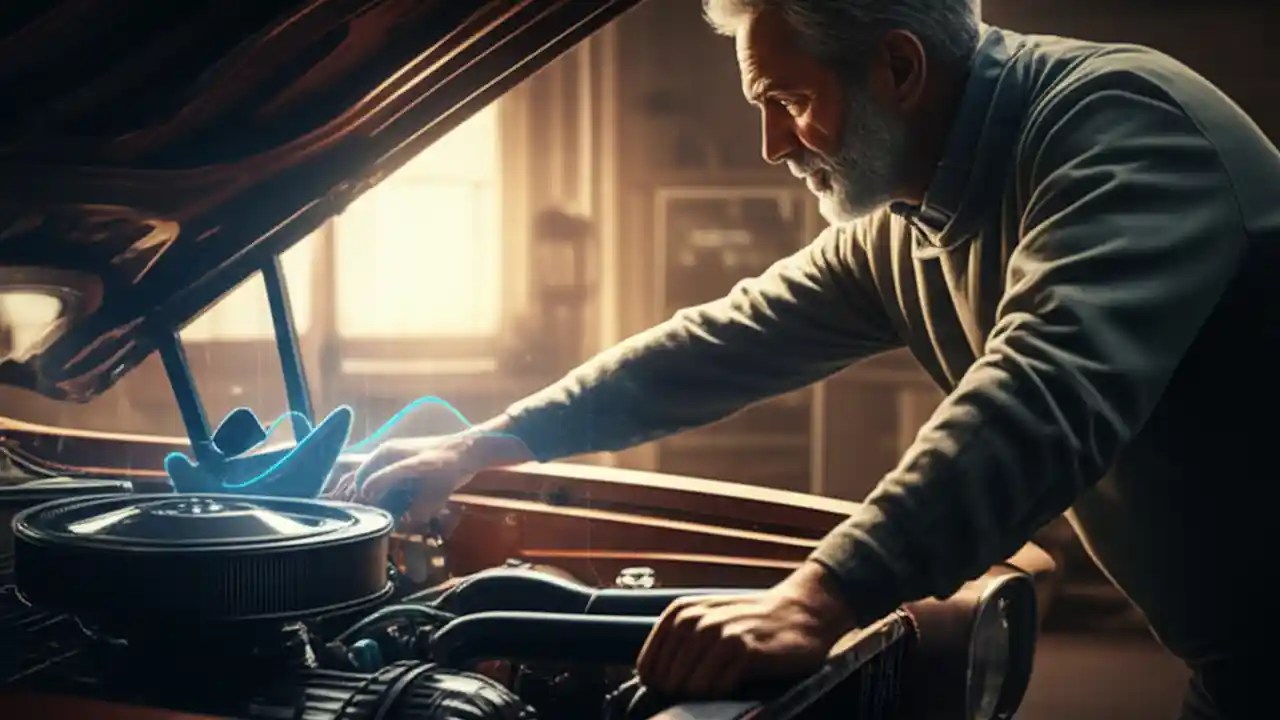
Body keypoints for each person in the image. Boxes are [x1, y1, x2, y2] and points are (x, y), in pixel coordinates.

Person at [329, 1, 1277, 716]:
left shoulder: (1124, 129)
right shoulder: (912, 215)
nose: (774, 144)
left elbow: (1043, 392)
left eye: (789, 100)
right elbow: (725, 340)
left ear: (899, 68)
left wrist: (824, 596)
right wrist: (492, 442)